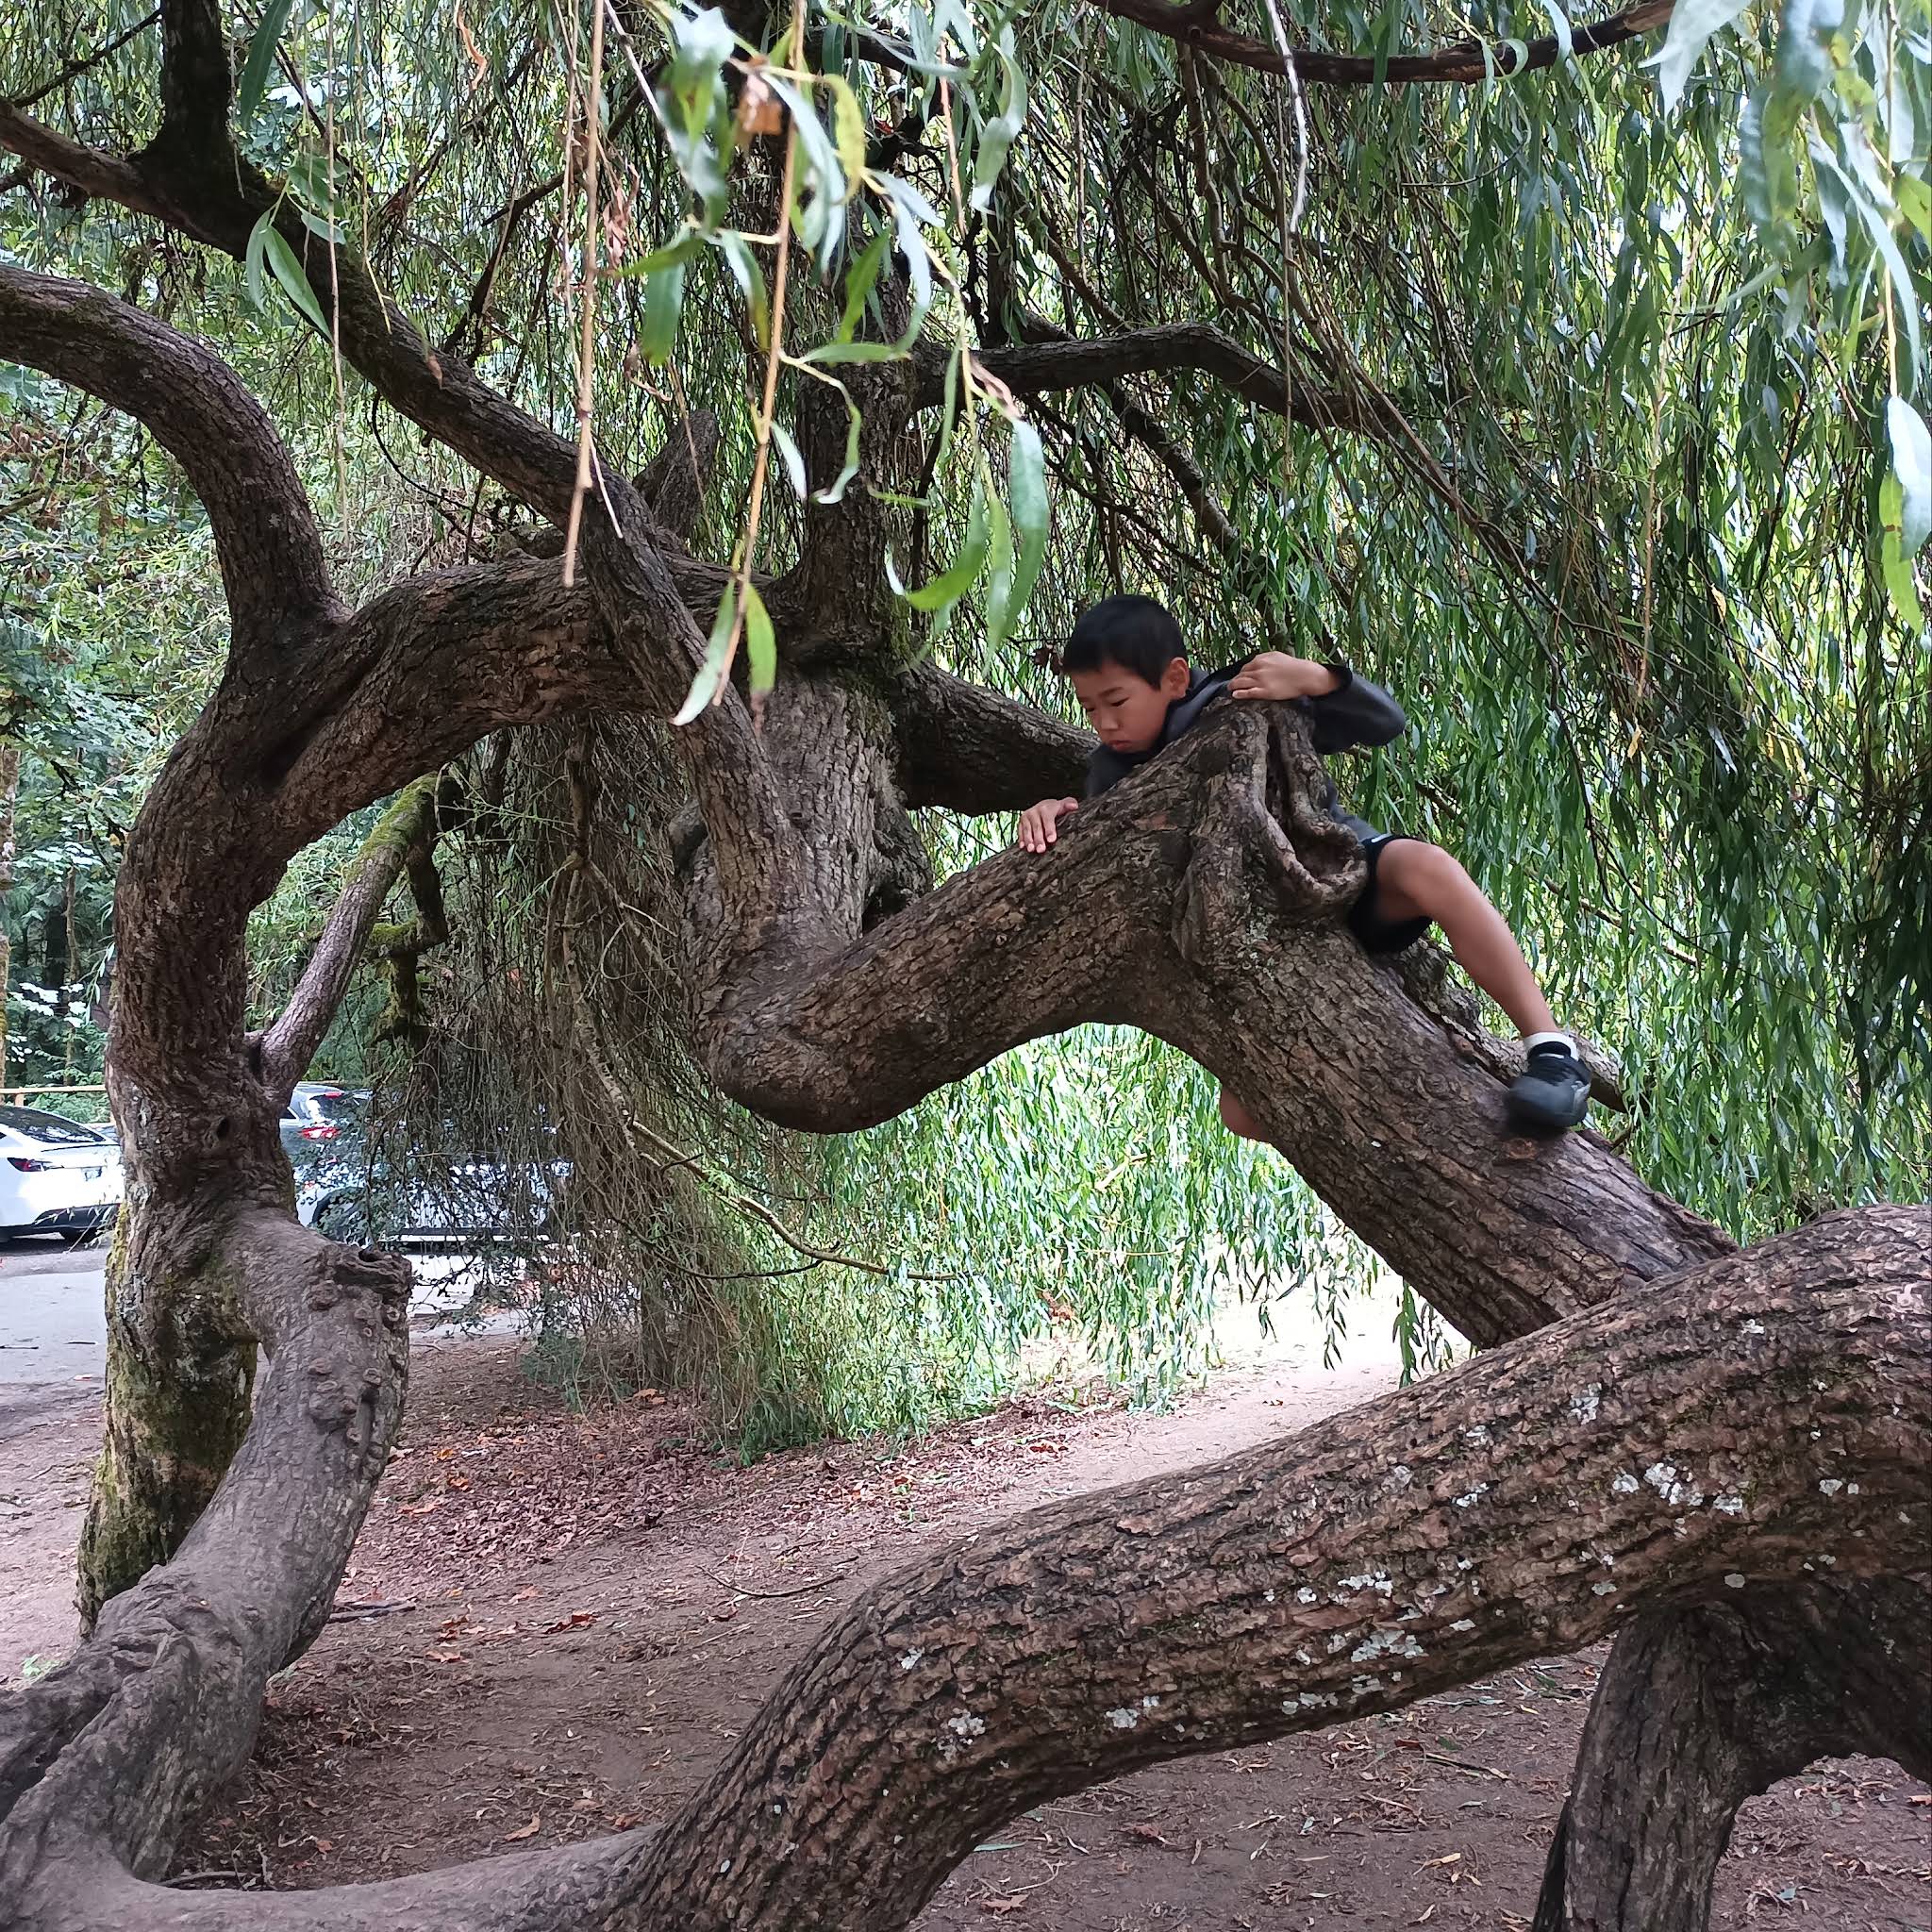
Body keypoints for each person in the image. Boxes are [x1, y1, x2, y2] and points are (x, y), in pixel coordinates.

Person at [1015, 594, 1592, 1133]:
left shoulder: (1237, 694)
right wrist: (1051, 813)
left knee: (1429, 868)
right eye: (1089, 708)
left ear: (1174, 678)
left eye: (1116, 701)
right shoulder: (1110, 775)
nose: (1104, 723)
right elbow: (1103, 851)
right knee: (1241, 1116)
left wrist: (1317, 678)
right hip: (1257, 934)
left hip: (1335, 874)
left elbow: (1384, 722)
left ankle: (1549, 1050)